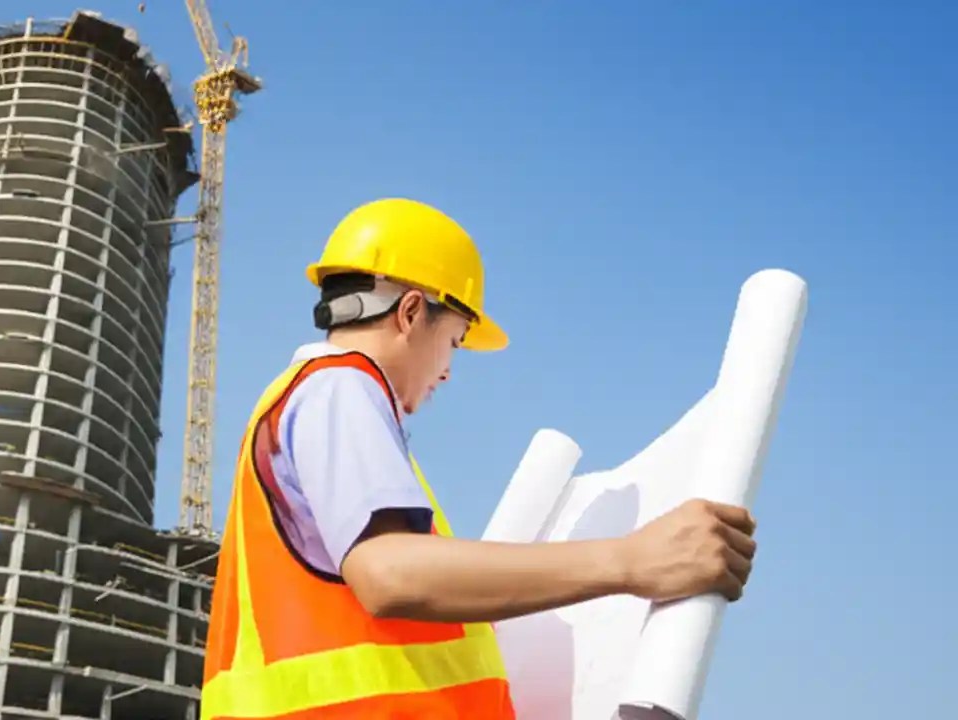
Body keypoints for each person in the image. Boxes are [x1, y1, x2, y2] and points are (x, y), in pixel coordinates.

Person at [199, 198, 759, 719]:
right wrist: (631, 561)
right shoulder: (340, 387)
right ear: (412, 313)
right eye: (457, 340)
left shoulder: (311, 402)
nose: (448, 370)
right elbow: (389, 573)